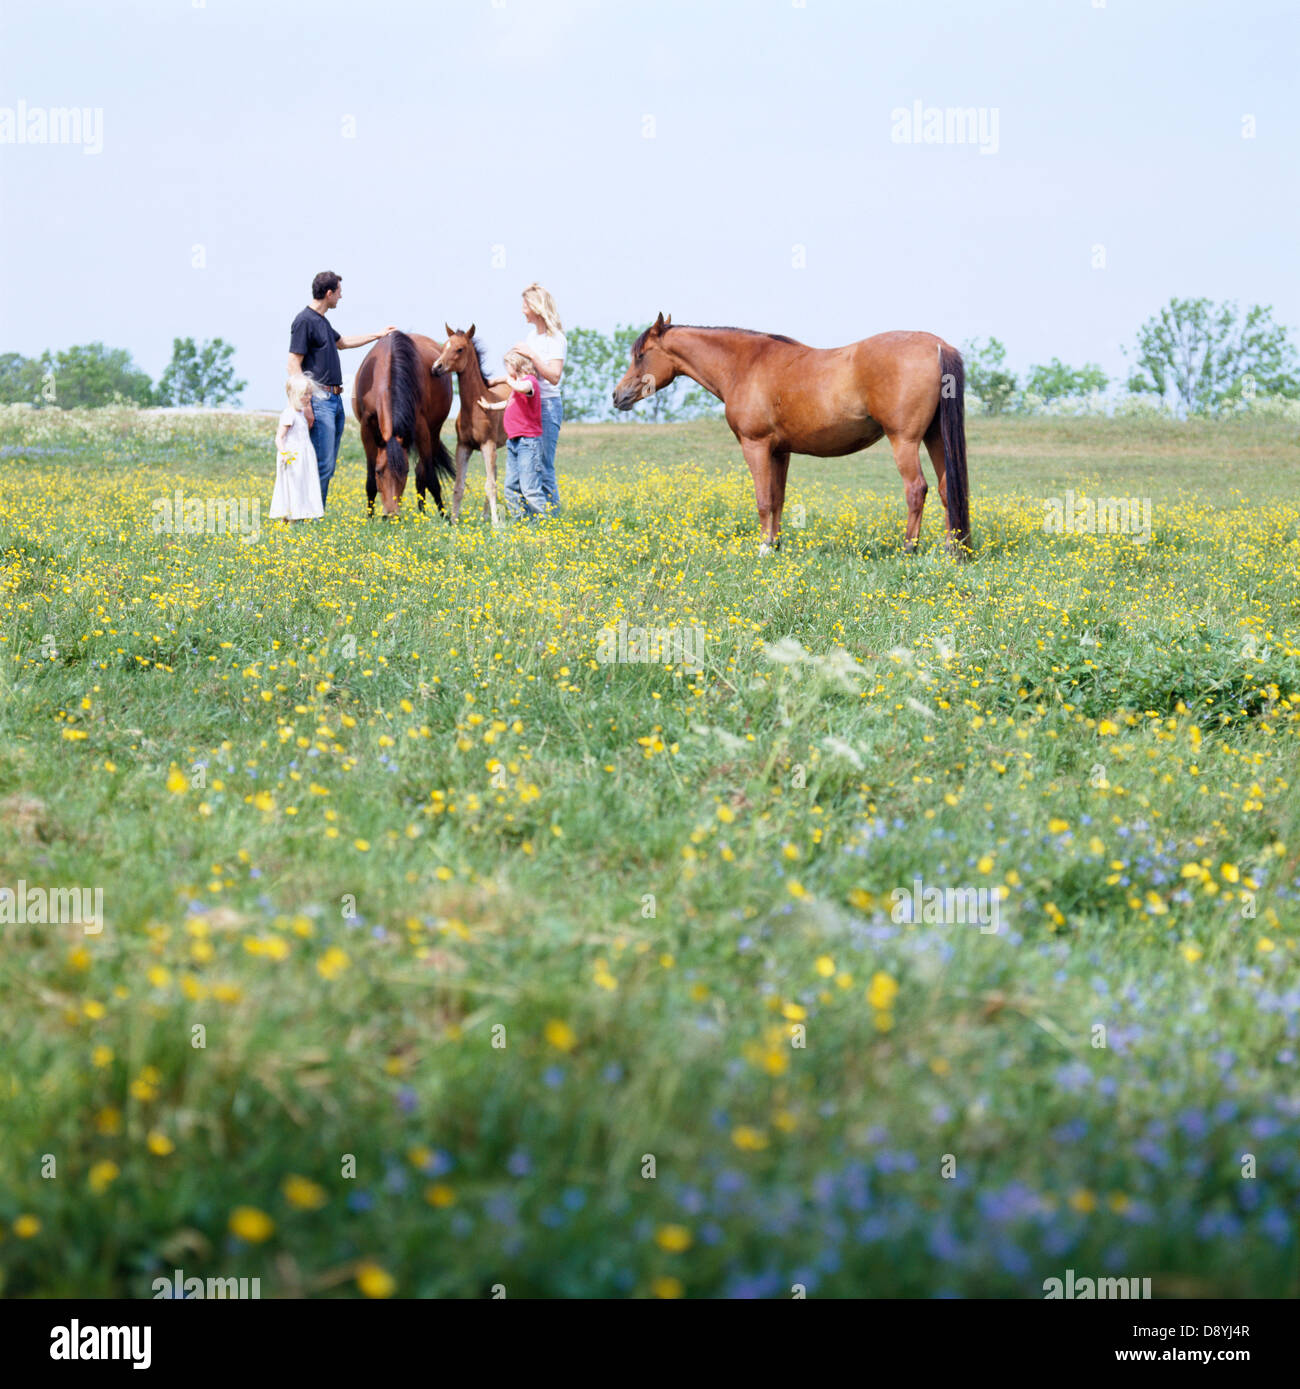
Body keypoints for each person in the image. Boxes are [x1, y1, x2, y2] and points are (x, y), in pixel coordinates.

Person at [287, 271, 396, 506]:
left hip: (334, 400)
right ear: (329, 293)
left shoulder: (322, 321)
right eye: (339, 292)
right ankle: (308, 515)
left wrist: (378, 335)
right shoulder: (304, 321)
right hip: (318, 399)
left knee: (328, 465)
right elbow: (293, 363)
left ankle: (313, 512)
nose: (341, 297)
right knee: (321, 464)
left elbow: (343, 343)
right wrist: (303, 404)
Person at [489, 283, 565, 513]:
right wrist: (499, 380)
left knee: (542, 466)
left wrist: (531, 353)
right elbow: (524, 374)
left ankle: (552, 516)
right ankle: (530, 520)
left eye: (525, 305)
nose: (522, 310)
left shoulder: (556, 339)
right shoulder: (531, 336)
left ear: (535, 307)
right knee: (528, 469)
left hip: (547, 405)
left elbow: (553, 376)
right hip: (529, 405)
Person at [478, 350, 547, 520]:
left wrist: (508, 380)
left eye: (507, 365)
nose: (506, 369)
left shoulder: (529, 382)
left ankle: (543, 523)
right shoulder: (515, 388)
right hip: (514, 441)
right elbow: (509, 402)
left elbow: (524, 388)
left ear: (516, 365)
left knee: (529, 488)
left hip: (528, 442)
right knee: (510, 487)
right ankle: (521, 522)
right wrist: (490, 407)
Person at [270, 376, 325, 523]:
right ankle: (289, 517)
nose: (309, 397)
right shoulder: (289, 414)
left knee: (303, 485)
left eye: (310, 393)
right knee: (292, 486)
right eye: (306, 394)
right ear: (296, 395)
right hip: (292, 457)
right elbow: (279, 438)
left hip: (304, 456)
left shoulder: (301, 414)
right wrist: (284, 454)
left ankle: (299, 515)